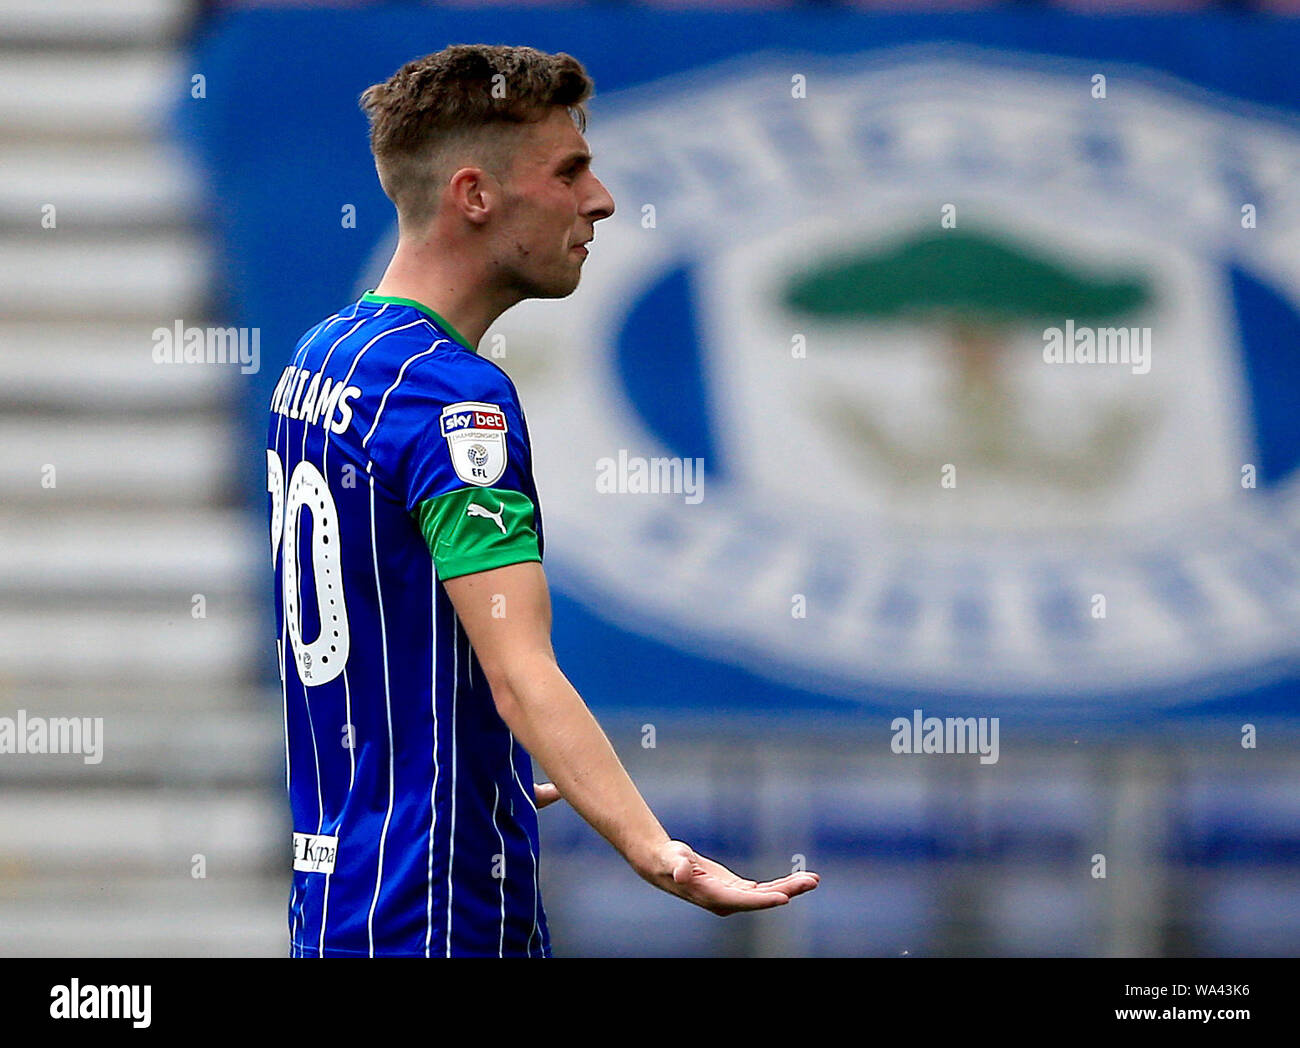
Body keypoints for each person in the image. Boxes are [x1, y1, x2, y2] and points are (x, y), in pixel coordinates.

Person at [266, 43, 819, 958]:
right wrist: (659, 854)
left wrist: (465, 760)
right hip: (436, 910)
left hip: (338, 901)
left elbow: (376, 629)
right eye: (571, 171)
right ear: (475, 195)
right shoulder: (449, 401)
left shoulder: (322, 359)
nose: (599, 200)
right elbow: (520, 672)